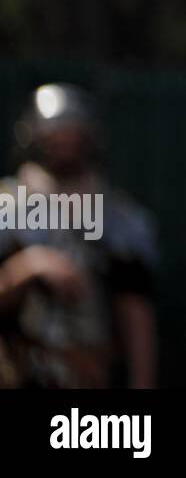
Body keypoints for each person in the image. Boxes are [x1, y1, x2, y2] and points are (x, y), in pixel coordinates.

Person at [0, 83, 158, 388]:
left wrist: (142, 381)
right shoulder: (8, 203)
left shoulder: (117, 213)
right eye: (55, 136)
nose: (64, 143)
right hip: (19, 368)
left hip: (90, 370)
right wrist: (29, 266)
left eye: (72, 134)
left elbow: (135, 306)